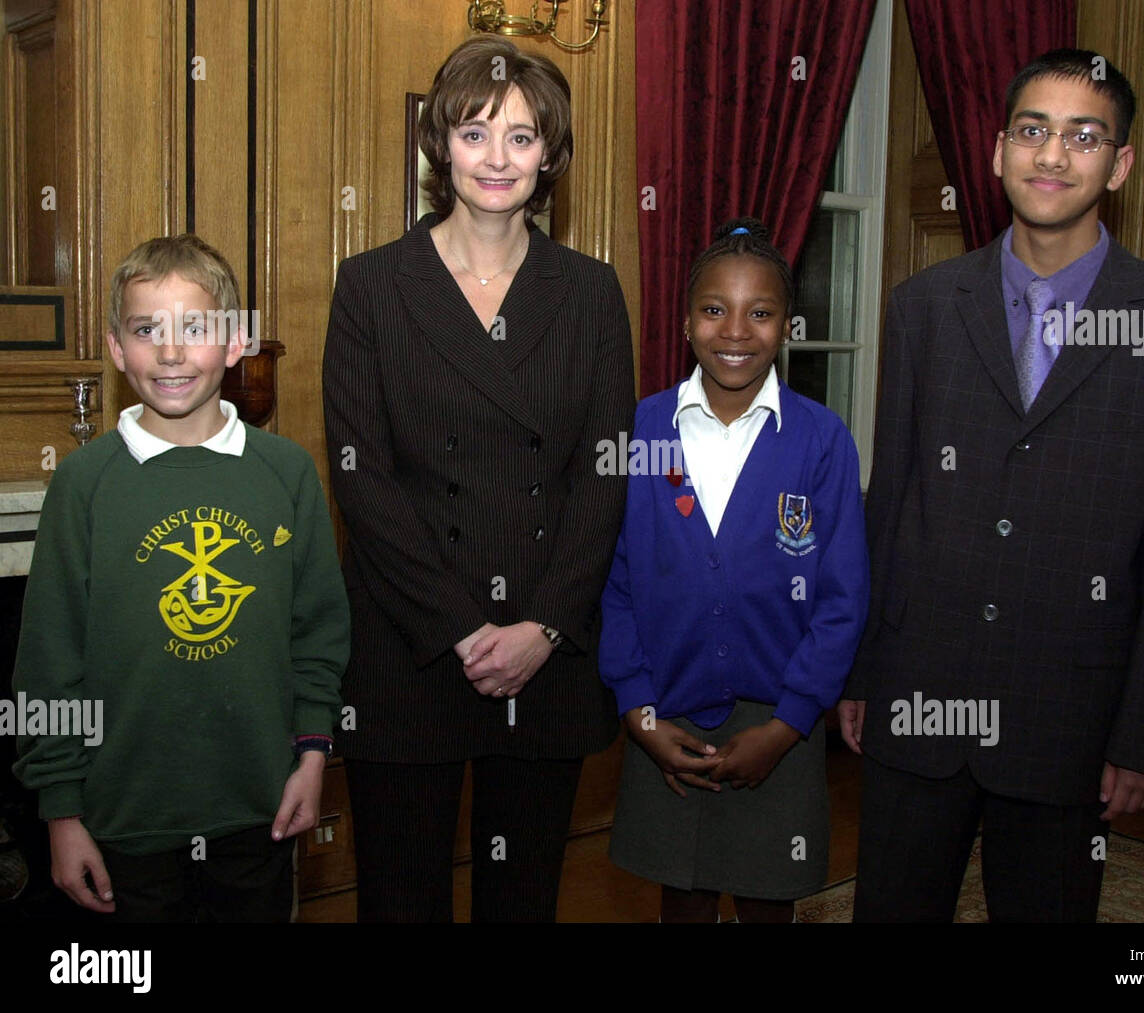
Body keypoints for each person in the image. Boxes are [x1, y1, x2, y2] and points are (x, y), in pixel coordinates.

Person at [840, 49, 1144, 922]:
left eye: (1083, 137)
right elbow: (890, 505)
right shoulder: (924, 308)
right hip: (921, 696)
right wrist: (864, 670)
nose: (1053, 156)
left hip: (1072, 716)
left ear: (1120, 164)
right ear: (996, 151)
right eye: (1033, 131)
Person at [322, 36, 634, 922]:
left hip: (547, 648)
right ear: (439, 144)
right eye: (474, 132)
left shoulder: (590, 291)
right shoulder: (372, 286)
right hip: (410, 646)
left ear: (552, 155)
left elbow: (602, 475)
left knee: (523, 896)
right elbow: (362, 479)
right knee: (400, 896)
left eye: (523, 138)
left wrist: (540, 625)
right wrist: (463, 629)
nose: (497, 159)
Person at [12, 233, 349, 922]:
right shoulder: (83, 483)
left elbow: (317, 633)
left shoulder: (285, 473)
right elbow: (50, 658)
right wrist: (61, 811)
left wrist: (312, 757)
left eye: (194, 328)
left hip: (258, 809)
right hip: (124, 819)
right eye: (146, 330)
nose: (170, 352)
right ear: (116, 349)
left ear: (233, 344)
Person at [599, 218, 868, 923]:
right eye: (715, 309)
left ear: (787, 325)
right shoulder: (646, 432)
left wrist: (786, 726)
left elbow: (842, 599)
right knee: (681, 897)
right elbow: (617, 582)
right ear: (687, 321)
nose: (736, 331)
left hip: (780, 717)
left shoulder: (821, 440)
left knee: (765, 900)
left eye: (762, 312)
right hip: (667, 708)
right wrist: (639, 710)